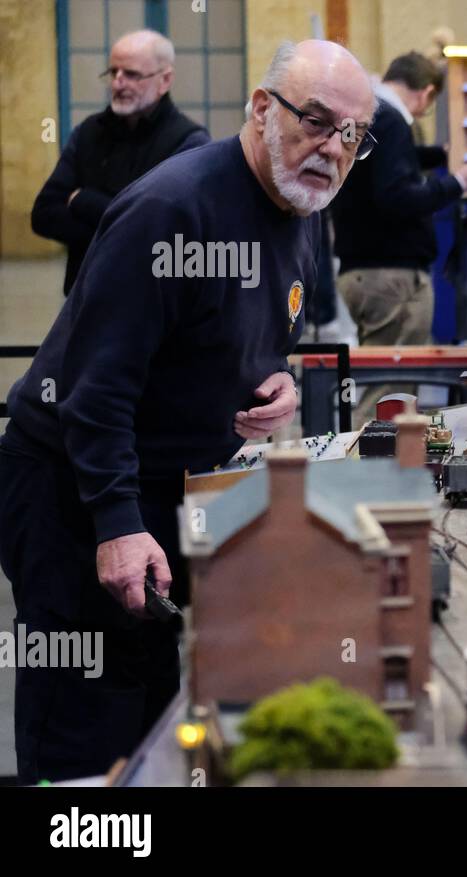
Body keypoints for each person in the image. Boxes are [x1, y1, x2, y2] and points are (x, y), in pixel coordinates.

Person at [0, 40, 375, 784]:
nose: (331, 148)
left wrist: (277, 387)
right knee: (84, 714)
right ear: (263, 109)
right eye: (317, 121)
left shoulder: (301, 208)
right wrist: (116, 520)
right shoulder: (172, 210)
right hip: (72, 488)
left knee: (156, 715)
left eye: (352, 136)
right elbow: (94, 388)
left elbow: (249, 331)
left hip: (163, 485)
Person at [331, 51, 467, 416]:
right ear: (425, 93)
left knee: (384, 388)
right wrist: (458, 183)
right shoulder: (391, 121)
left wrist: (436, 156)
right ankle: (365, 467)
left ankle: (379, 464)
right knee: (386, 395)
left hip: (362, 273)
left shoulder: (369, 115)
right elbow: (397, 196)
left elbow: (386, 166)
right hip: (392, 277)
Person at [31, 30, 210, 295]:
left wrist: (84, 201)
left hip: (153, 301)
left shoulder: (189, 143)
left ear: (165, 80)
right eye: (113, 72)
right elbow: (44, 214)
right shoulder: (88, 133)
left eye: (132, 74)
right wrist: (124, 225)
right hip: (86, 296)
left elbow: (165, 235)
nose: (118, 83)